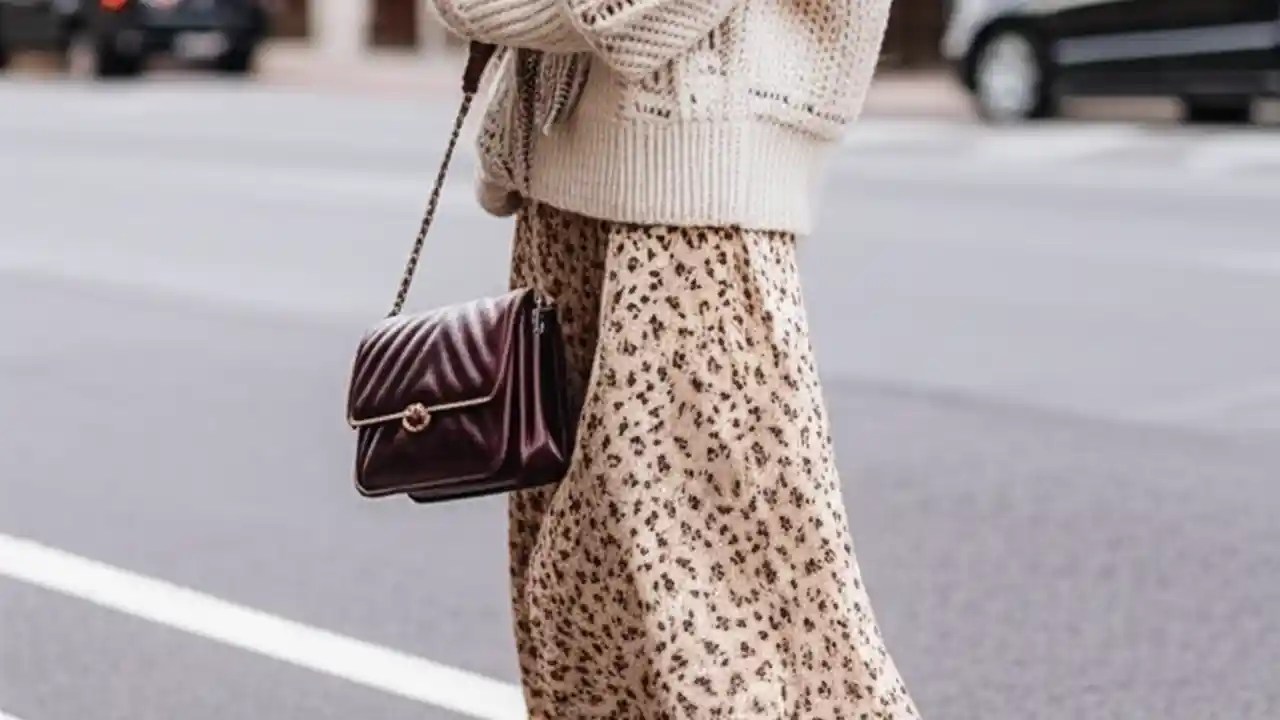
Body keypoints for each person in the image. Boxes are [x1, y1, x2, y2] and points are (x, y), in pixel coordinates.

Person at [430, 0, 920, 715]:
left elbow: (625, 15)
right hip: (561, 191)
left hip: (690, 219)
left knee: (728, 626)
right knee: (581, 622)